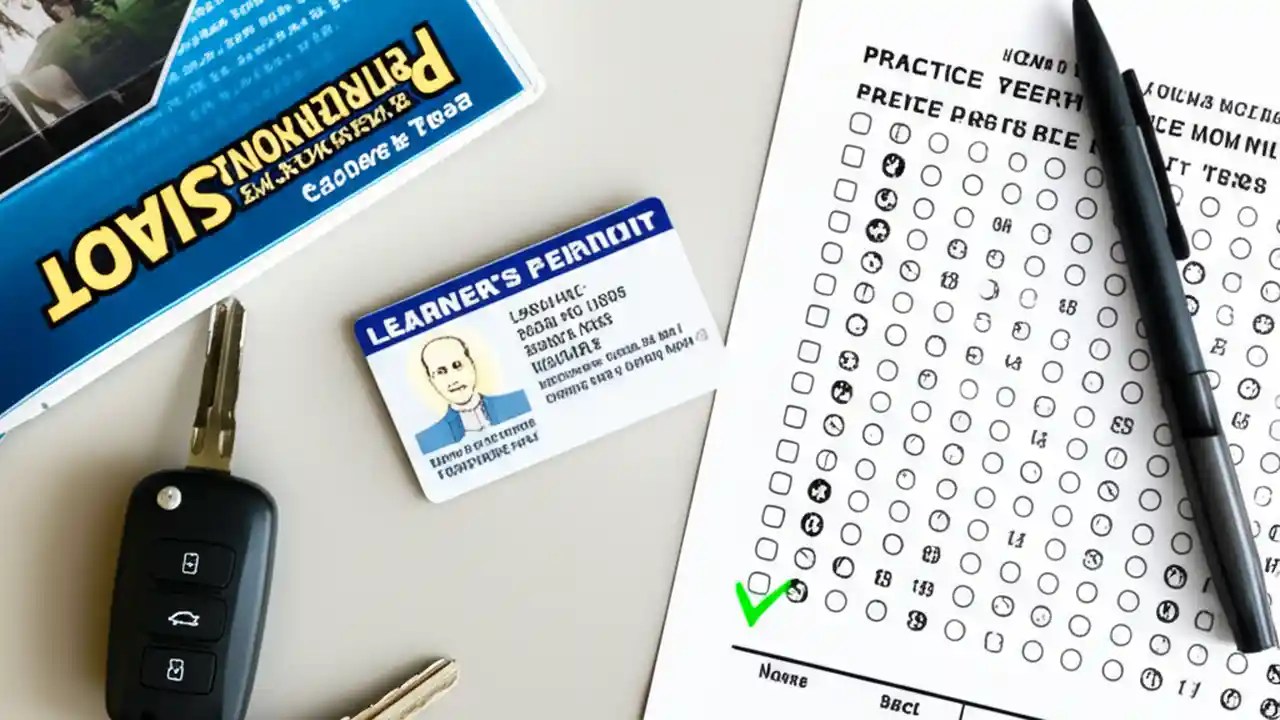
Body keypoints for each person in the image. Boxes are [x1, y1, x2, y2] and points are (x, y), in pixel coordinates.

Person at [415, 336, 530, 454]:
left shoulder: (519, 403)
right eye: (440, 372)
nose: (453, 379)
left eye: (457, 365)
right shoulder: (429, 441)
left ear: (472, 365)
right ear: (432, 380)